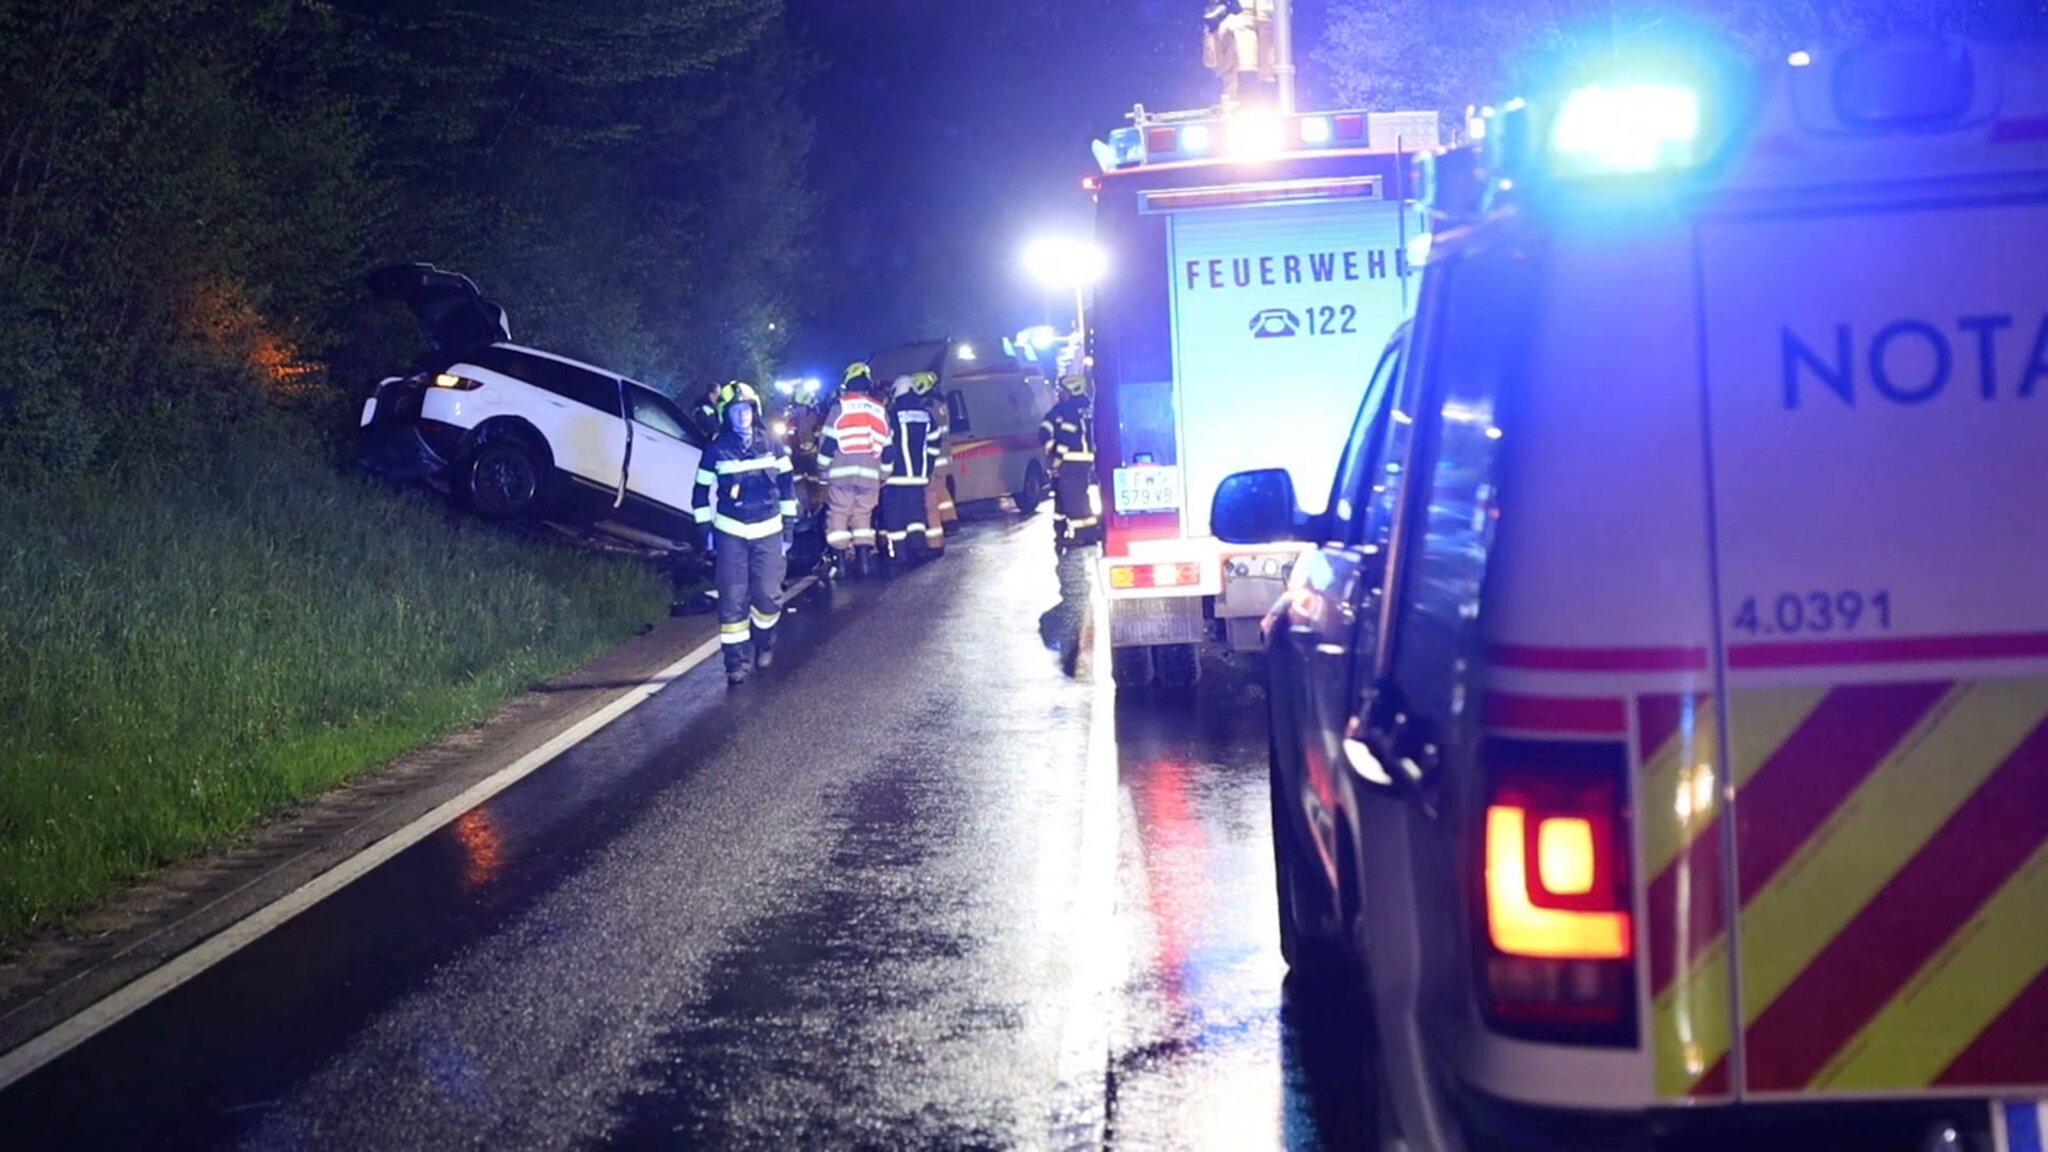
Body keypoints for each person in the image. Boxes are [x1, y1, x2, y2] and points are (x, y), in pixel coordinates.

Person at [693, 381, 796, 685]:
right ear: (727, 414)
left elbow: (788, 488)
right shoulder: (715, 449)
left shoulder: (772, 444)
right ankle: (734, 664)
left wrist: (789, 527)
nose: (742, 416)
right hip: (731, 534)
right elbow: (700, 494)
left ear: (755, 410)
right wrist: (705, 531)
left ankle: (764, 641)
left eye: (747, 409)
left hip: (768, 529)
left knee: (767, 596)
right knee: (732, 599)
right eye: (736, 410)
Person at [817, 362, 892, 578]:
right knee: (863, 517)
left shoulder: (839, 407)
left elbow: (829, 444)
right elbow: (888, 450)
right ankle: (864, 563)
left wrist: (822, 470)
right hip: (870, 476)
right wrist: (884, 475)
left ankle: (840, 565)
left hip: (841, 474)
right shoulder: (880, 410)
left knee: (838, 514)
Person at [879, 374, 943, 566]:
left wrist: (884, 472)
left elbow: (886, 446)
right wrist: (927, 468)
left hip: (895, 477)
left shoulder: (890, 414)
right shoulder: (926, 415)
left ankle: (901, 554)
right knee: (916, 515)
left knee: (895, 516)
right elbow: (934, 444)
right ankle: (918, 548)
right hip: (918, 476)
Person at [1039, 373, 1102, 553]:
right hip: (1083, 460)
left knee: (1073, 499)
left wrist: (1056, 462)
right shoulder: (1084, 407)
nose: (1060, 394)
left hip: (1072, 461)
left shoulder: (1067, 411)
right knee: (1079, 497)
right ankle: (1088, 532)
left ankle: (1081, 535)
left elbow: (1065, 441)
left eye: (1063, 390)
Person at [911, 371, 954, 553]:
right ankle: (951, 522)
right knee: (942, 493)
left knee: (930, 499)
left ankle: (934, 542)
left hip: (933, 459)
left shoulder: (928, 406)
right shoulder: (939, 402)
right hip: (944, 456)